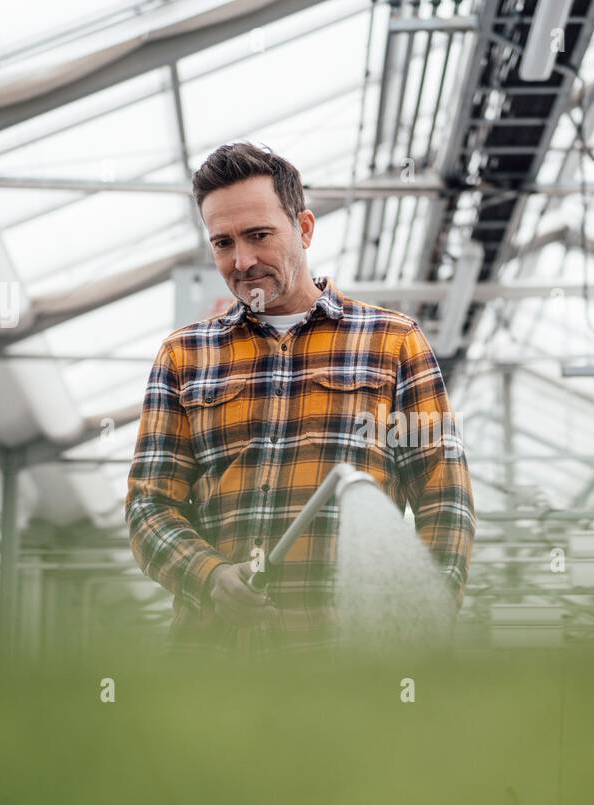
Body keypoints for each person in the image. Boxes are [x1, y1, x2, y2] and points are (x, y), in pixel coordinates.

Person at [125, 142, 475, 652]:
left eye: (258, 235)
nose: (242, 261)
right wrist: (209, 575)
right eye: (223, 243)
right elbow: (149, 506)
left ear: (304, 228)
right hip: (216, 666)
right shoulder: (183, 356)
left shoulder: (393, 343)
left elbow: (445, 500)